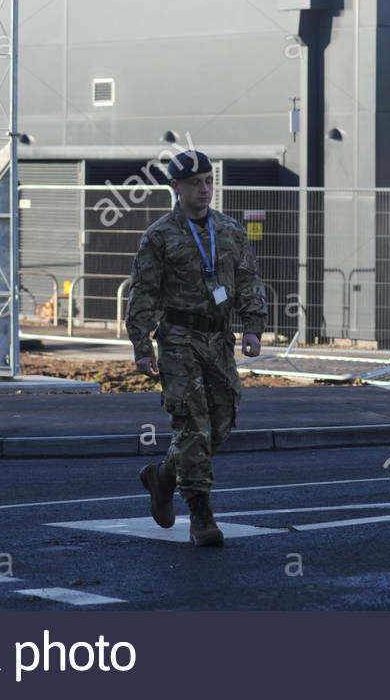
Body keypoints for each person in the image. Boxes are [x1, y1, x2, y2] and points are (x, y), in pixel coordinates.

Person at [125, 150, 266, 546]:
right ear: (176, 187)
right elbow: (143, 293)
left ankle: (163, 475)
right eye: (194, 183)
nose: (204, 190)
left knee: (221, 421)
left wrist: (253, 327)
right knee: (191, 424)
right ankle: (201, 515)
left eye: (208, 181)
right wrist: (141, 345)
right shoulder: (159, 236)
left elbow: (248, 279)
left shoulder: (230, 230)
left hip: (219, 339)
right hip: (177, 339)